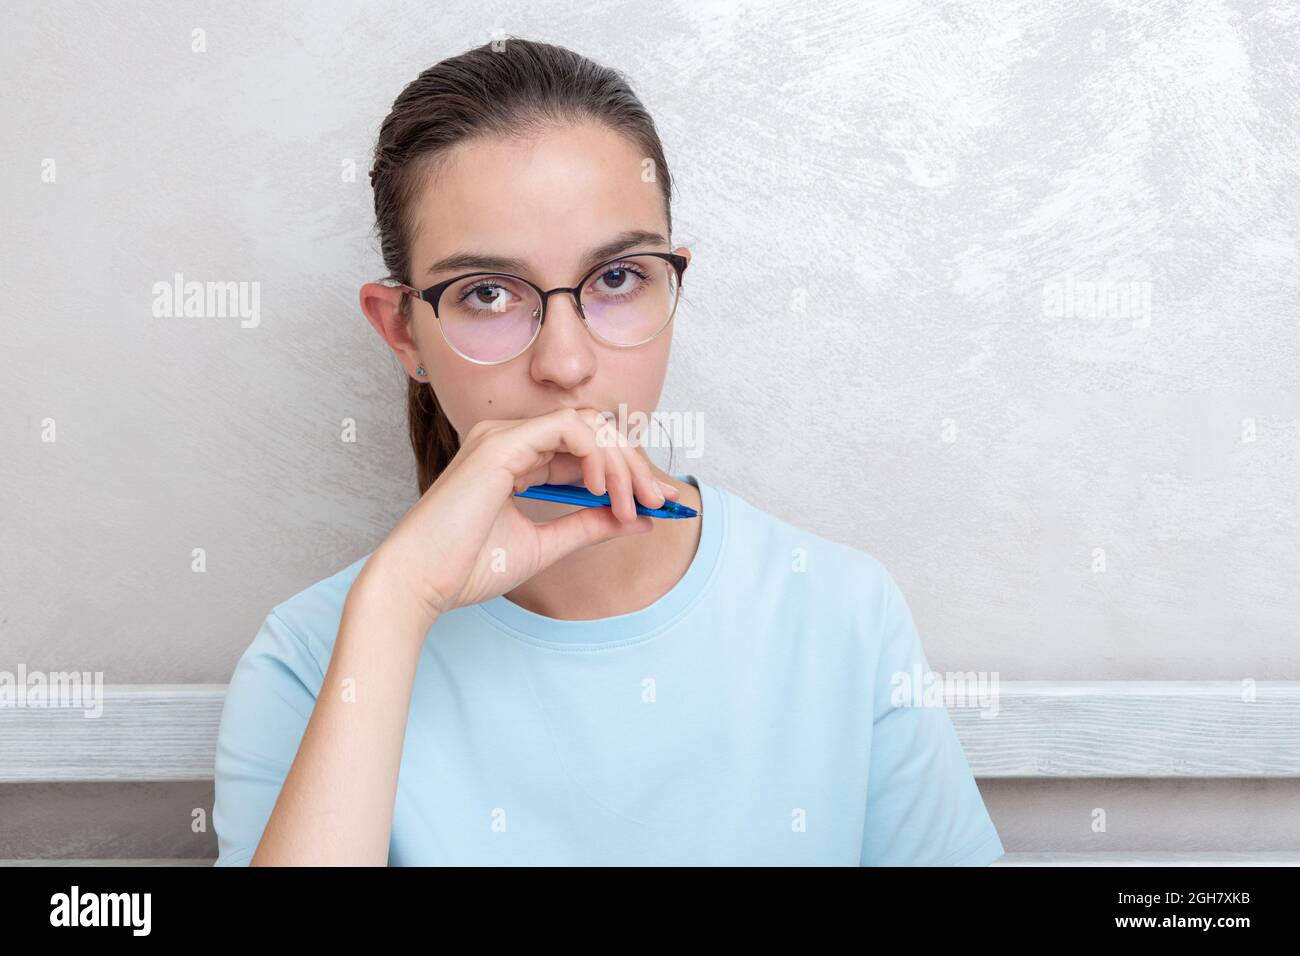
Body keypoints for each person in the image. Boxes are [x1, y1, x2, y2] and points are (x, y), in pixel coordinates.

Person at [212, 37, 1005, 866]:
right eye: (488, 293)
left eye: (619, 278)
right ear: (402, 330)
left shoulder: (841, 610)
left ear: (674, 283)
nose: (565, 363)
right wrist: (398, 603)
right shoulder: (307, 662)